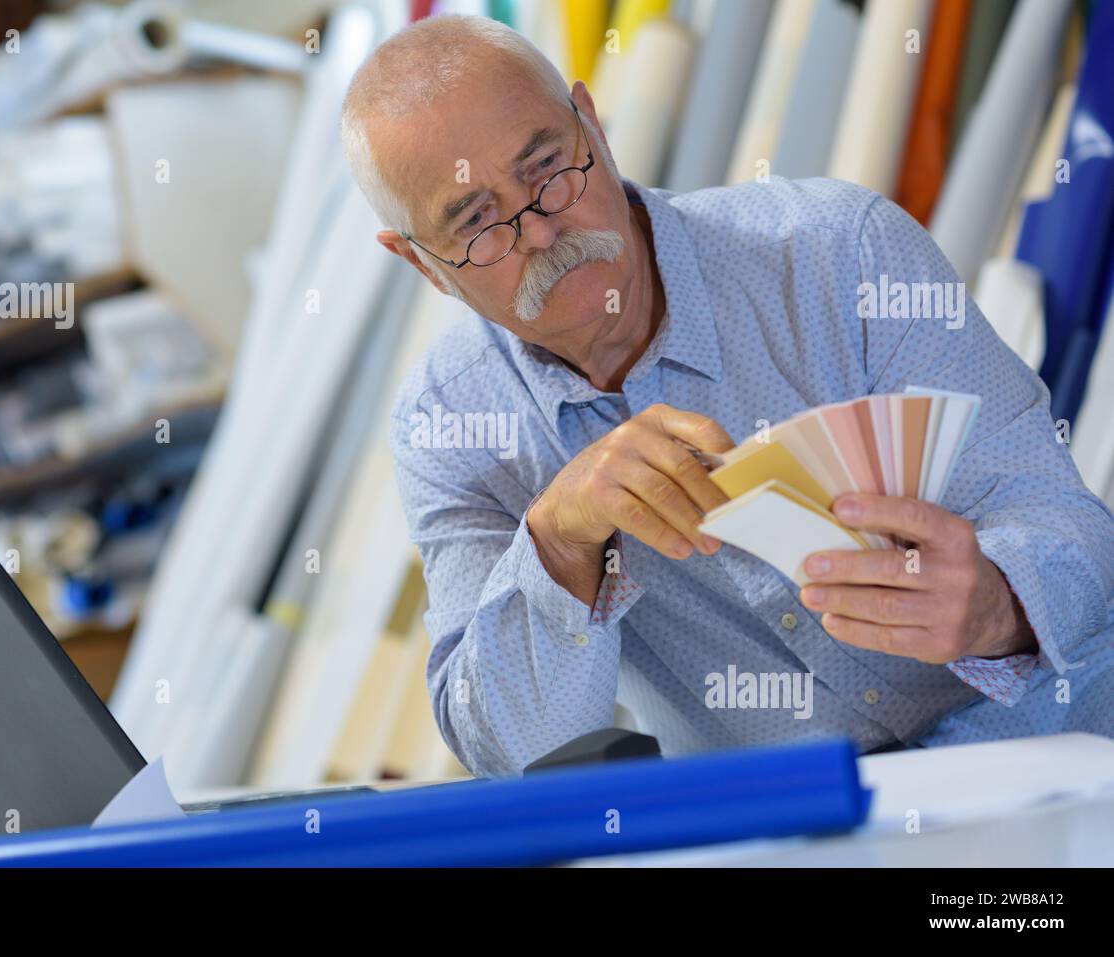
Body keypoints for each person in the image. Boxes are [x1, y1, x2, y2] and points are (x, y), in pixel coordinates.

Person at [340, 14, 1114, 776]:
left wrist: (998, 604)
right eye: (478, 221)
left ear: (593, 123)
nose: (542, 231)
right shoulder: (453, 424)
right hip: (801, 839)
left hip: (1060, 762)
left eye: (546, 166)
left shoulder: (839, 251)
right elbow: (511, 749)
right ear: (420, 264)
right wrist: (559, 543)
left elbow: (1072, 526)